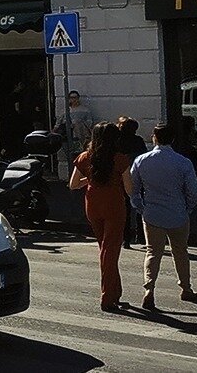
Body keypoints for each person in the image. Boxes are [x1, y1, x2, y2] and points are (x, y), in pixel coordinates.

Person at [131, 123, 197, 311]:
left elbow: (134, 190)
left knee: (153, 252)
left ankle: (149, 290)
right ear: (173, 139)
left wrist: (140, 208)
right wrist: (188, 208)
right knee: (180, 251)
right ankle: (186, 288)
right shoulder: (183, 162)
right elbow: (193, 190)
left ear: (154, 137)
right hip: (178, 213)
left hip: (152, 213)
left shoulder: (141, 160)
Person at [70, 122, 134, 313]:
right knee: (110, 251)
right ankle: (107, 297)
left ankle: (115, 291)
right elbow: (129, 189)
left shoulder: (85, 157)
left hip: (93, 205)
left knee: (105, 249)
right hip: (114, 205)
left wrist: (89, 179)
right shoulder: (120, 159)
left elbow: (73, 185)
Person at [116, 117, 147, 248]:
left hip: (122, 176)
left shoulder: (117, 141)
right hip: (137, 176)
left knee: (125, 209)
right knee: (140, 206)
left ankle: (126, 239)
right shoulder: (138, 141)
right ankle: (141, 236)